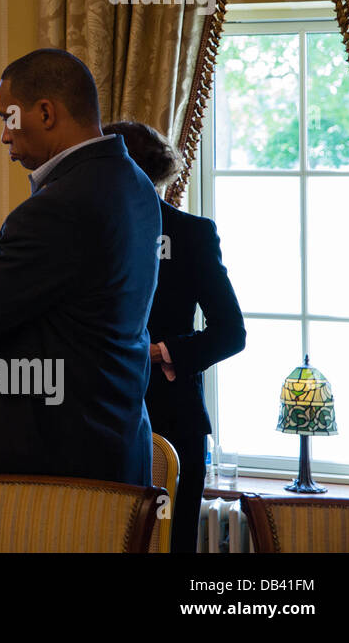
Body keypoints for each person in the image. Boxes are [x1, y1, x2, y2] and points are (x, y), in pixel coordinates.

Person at [0, 49, 158, 486]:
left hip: (44, 469)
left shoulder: (58, 207)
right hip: (113, 445)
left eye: (8, 117)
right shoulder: (135, 184)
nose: (4, 135)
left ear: (45, 112)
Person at [103, 120, 245, 552]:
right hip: (97, 418)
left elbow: (230, 332)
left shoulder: (191, 235)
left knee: (172, 545)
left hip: (172, 421)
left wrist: (162, 351)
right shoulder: (80, 232)